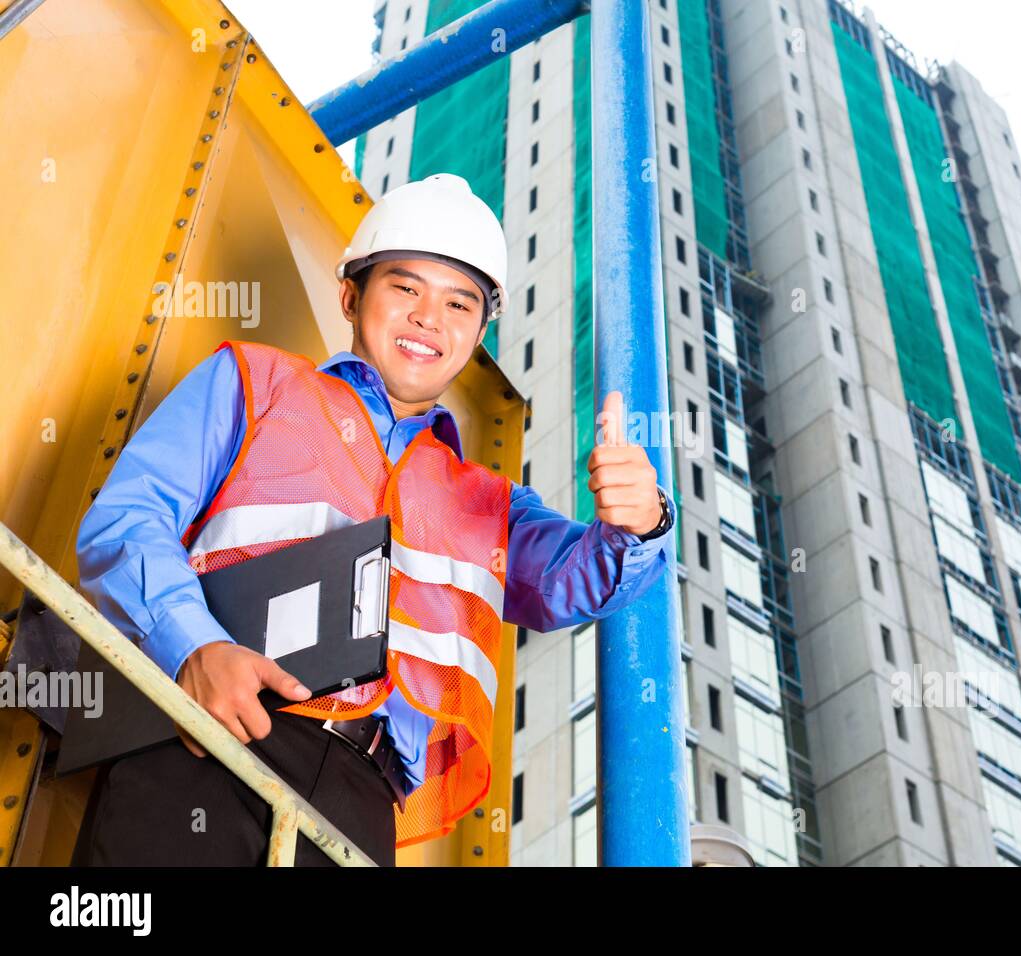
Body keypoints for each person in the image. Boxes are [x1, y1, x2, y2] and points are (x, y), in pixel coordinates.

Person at [70, 173, 675, 866]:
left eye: (459, 303)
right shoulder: (253, 384)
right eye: (406, 288)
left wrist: (642, 521)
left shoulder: (490, 502)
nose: (428, 318)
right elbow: (126, 518)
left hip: (361, 801)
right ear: (352, 296)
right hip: (204, 741)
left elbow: (582, 578)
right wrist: (192, 645)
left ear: (478, 333)